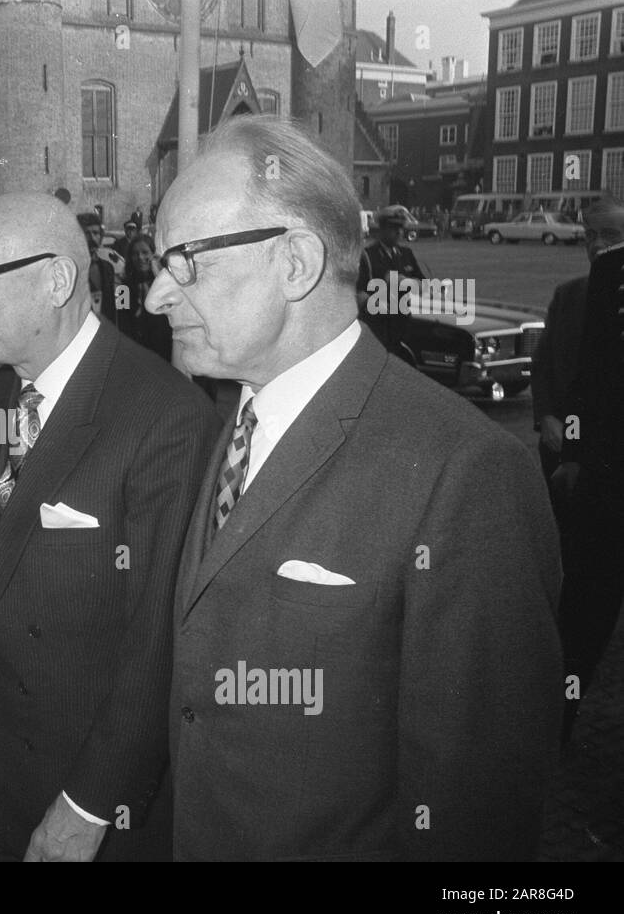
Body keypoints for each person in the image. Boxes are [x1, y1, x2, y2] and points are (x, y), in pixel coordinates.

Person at [147, 115, 562, 862]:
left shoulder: (467, 473)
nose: (152, 296)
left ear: (296, 262)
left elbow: (479, 813)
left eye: (183, 262)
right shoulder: (227, 417)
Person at [0, 193, 220, 861]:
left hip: (92, 800)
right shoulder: (5, 390)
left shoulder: (166, 417)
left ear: (57, 280)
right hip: (5, 762)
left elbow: (158, 641)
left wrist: (92, 802)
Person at [553, 206, 624, 738]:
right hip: (607, 474)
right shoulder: (606, 279)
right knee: (586, 607)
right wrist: (573, 453)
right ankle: (561, 712)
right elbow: (585, 379)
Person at [533, 199, 624, 492]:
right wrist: (546, 417)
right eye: (590, 235)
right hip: (563, 444)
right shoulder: (569, 295)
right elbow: (543, 360)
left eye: (610, 235)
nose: (597, 244)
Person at [356, 206, 422, 353]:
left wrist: (406, 281)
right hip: (377, 326)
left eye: (401, 228)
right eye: (394, 228)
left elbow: (422, 283)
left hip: (402, 323)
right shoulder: (368, 256)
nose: (399, 232)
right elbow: (359, 292)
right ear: (382, 229)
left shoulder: (406, 254)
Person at [118, 234, 172, 362]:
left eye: (145, 252)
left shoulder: (164, 282)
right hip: (138, 348)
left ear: (153, 254)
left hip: (165, 347)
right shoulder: (122, 287)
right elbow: (121, 320)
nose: (140, 257)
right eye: (135, 254)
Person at [76, 212, 117, 323]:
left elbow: (115, 304)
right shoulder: (71, 269)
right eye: (87, 233)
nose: (92, 238)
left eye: (95, 233)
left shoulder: (108, 268)